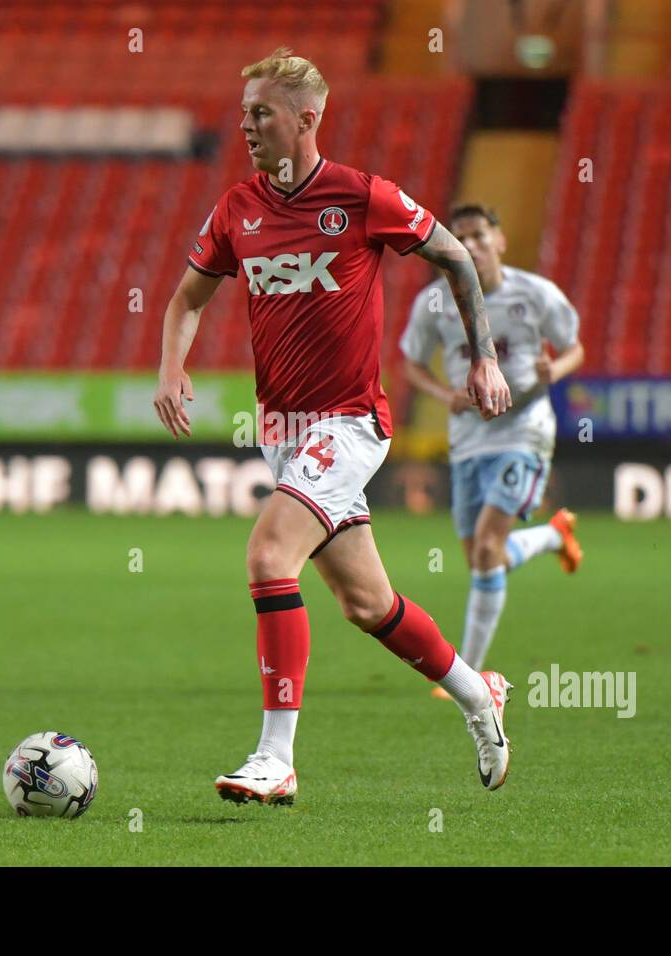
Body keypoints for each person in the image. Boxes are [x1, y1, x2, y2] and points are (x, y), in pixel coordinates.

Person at [154, 48, 515, 805]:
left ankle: (275, 758)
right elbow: (187, 299)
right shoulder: (237, 207)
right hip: (282, 429)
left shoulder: (361, 197)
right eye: (245, 111)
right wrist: (171, 368)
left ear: (307, 118)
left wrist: (482, 360)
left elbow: (453, 257)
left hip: (349, 422)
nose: (246, 124)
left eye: (262, 113)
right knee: (367, 604)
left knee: (267, 554)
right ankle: (478, 694)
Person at [401, 204, 584, 691]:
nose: (472, 245)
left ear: (500, 240)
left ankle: (467, 673)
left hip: (524, 430)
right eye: (460, 238)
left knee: (485, 548)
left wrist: (556, 371)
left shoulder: (536, 293)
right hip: (468, 441)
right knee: (486, 556)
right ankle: (552, 536)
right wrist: (445, 396)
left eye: (480, 235)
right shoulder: (433, 304)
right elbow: (411, 364)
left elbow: (574, 347)